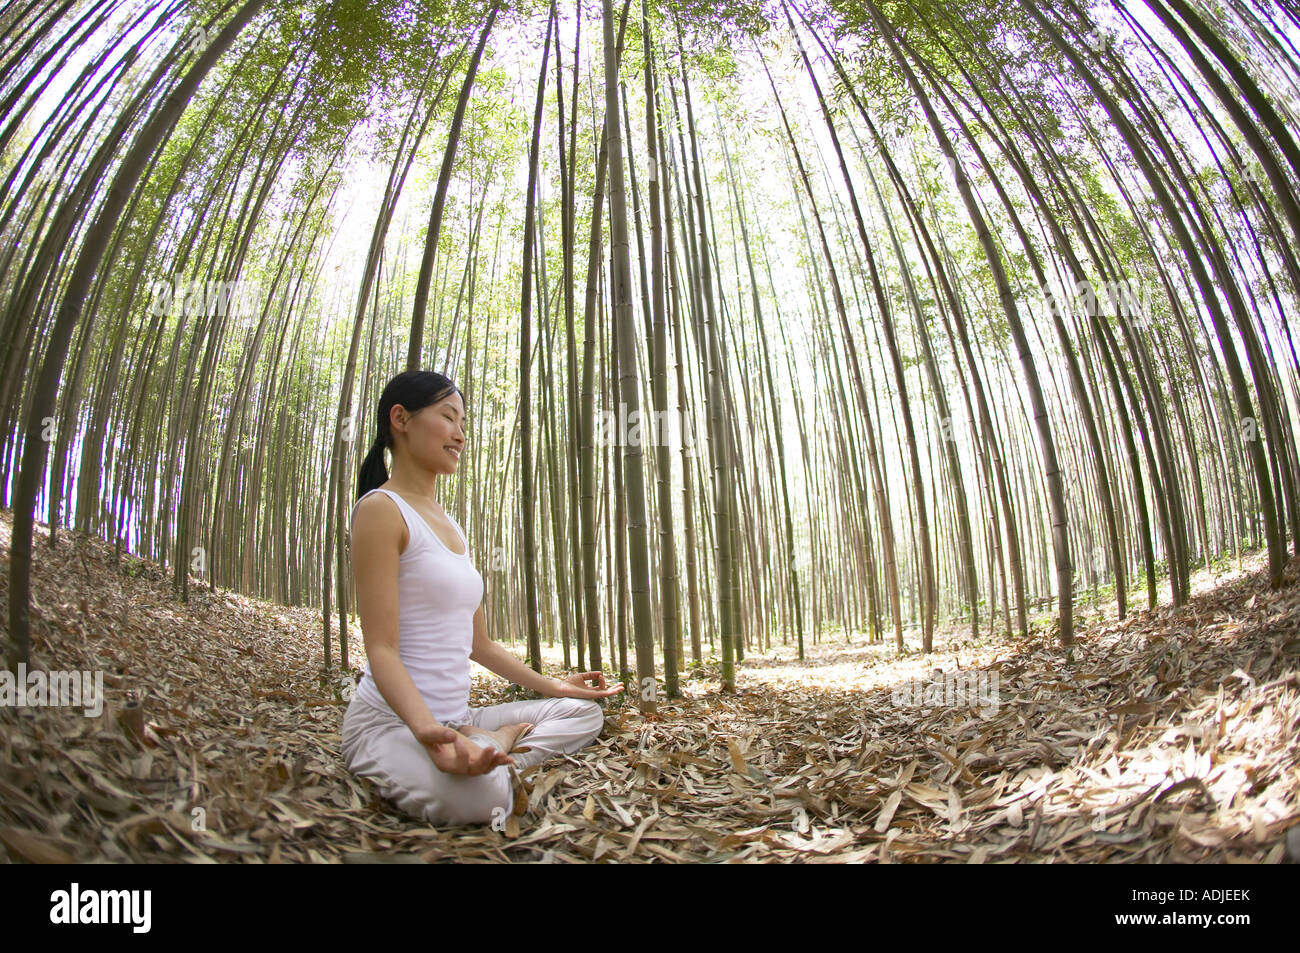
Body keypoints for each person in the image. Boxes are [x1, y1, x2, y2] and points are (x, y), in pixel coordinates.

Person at [342, 369, 623, 826]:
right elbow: (381, 649)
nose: (460, 434)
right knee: (486, 802)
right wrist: (425, 730)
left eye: (464, 423)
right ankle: (495, 748)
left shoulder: (450, 526)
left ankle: (488, 747)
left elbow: (481, 645)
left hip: (458, 716)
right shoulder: (380, 510)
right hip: (391, 724)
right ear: (401, 419)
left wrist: (556, 685)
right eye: (448, 418)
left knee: (580, 712)